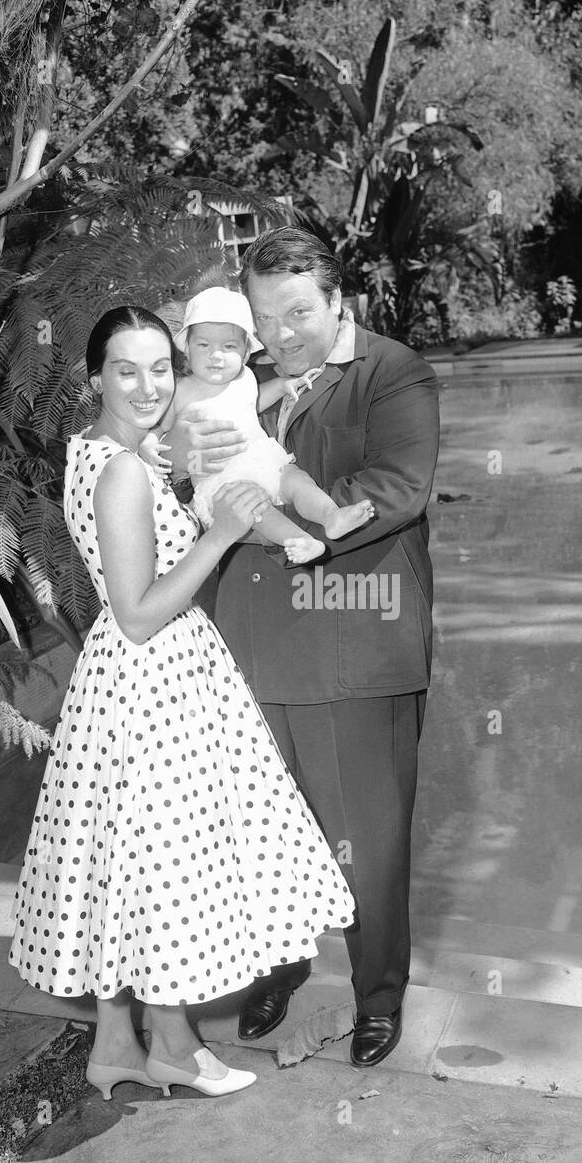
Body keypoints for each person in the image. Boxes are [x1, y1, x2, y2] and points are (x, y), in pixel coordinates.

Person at [8, 305, 356, 1100]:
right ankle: (170, 1047)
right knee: (168, 865)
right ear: (93, 377)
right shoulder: (125, 470)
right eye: (125, 370)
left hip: (129, 680)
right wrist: (220, 535)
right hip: (152, 675)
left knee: (122, 863)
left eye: (160, 368)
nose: (147, 385)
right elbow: (135, 611)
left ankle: (115, 1046)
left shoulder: (98, 453)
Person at [163, 229, 440, 1067]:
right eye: (262, 318)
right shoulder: (230, 385)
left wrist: (255, 522)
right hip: (242, 645)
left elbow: (394, 489)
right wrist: (185, 468)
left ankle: (377, 996)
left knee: (367, 834)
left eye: (297, 314)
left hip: (351, 646)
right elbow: (186, 488)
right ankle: (278, 967)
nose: (280, 334)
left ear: (336, 304)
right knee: (261, 830)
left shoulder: (391, 373)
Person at [143, 286, 375, 563]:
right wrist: (149, 443)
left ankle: (331, 516)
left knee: (297, 480)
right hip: (224, 482)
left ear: (244, 355)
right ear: (187, 352)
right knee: (256, 508)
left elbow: (254, 401)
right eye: (203, 345)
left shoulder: (245, 380)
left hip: (264, 461)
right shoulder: (180, 390)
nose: (215, 355)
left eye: (228, 347)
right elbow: (159, 429)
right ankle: (299, 540)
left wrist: (284, 385)